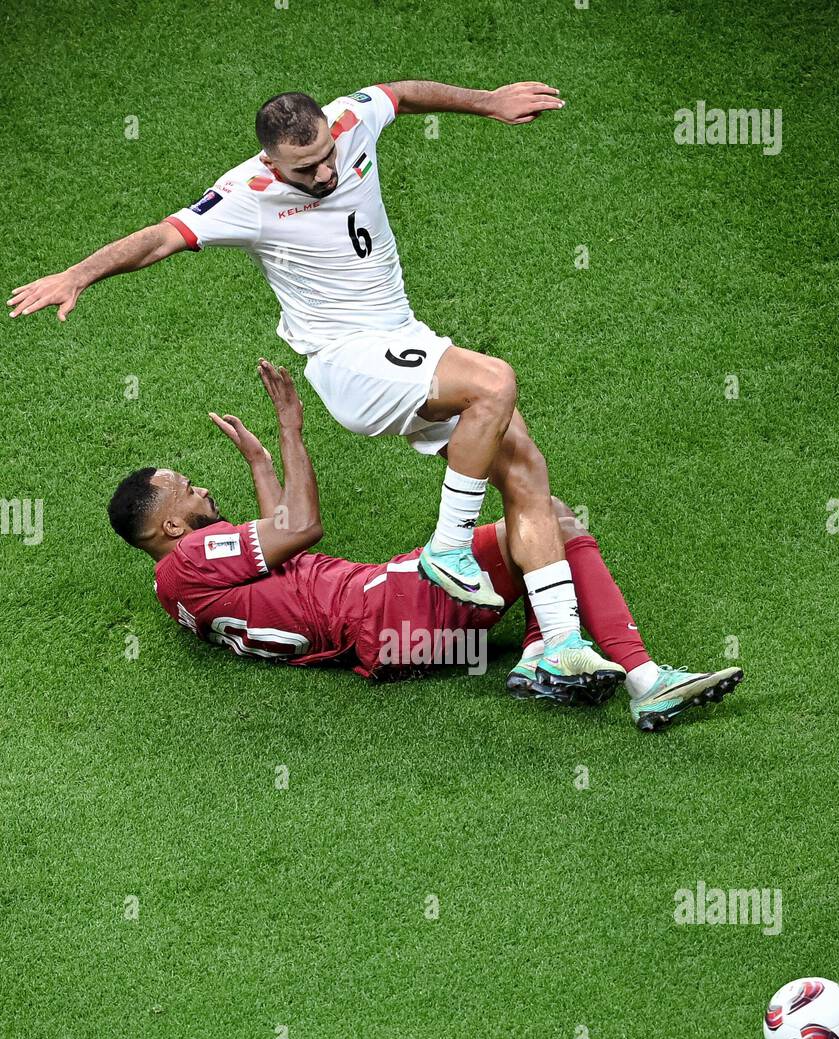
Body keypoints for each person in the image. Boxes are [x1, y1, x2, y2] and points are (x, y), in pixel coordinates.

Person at [11, 79, 613, 699]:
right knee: (494, 381)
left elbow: (399, 92)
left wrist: (488, 102)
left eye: (328, 154)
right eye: (306, 168)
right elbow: (161, 238)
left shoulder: (352, 121)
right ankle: (449, 549)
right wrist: (77, 274)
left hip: (404, 342)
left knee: (523, 469)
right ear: (271, 163)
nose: (327, 172)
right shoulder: (247, 193)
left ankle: (573, 651)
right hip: (352, 360)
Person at [107, 361, 743, 731]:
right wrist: (293, 424)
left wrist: (264, 457)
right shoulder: (191, 558)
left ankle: (539, 658)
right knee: (552, 518)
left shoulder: (180, 592)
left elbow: (274, 536)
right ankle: (643, 677)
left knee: (534, 544)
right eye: (188, 491)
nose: (201, 491)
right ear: (168, 528)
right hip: (387, 608)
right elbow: (298, 527)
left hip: (393, 647)